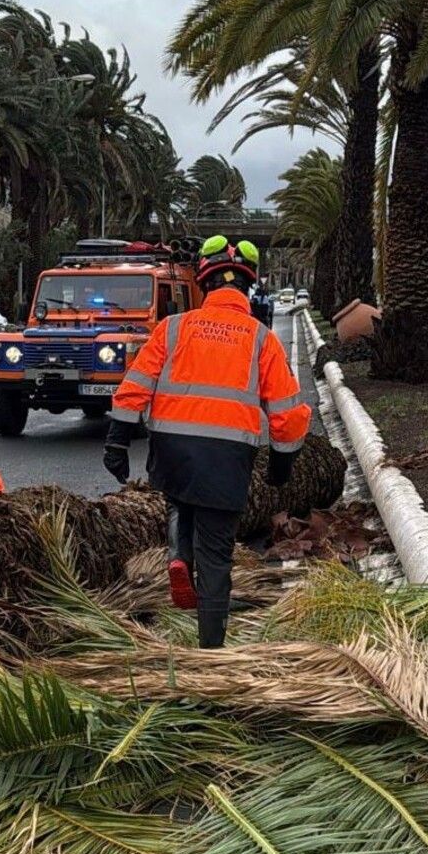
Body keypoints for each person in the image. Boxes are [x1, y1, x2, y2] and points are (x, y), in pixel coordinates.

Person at [102, 235, 311, 649]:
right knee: (216, 558)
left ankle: (178, 557)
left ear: (204, 282)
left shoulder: (173, 328)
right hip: (227, 457)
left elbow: (136, 385)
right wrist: (282, 464)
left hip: (172, 450)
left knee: (180, 500)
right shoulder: (261, 339)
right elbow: (287, 414)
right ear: (247, 288)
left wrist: (117, 440)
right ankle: (210, 649)